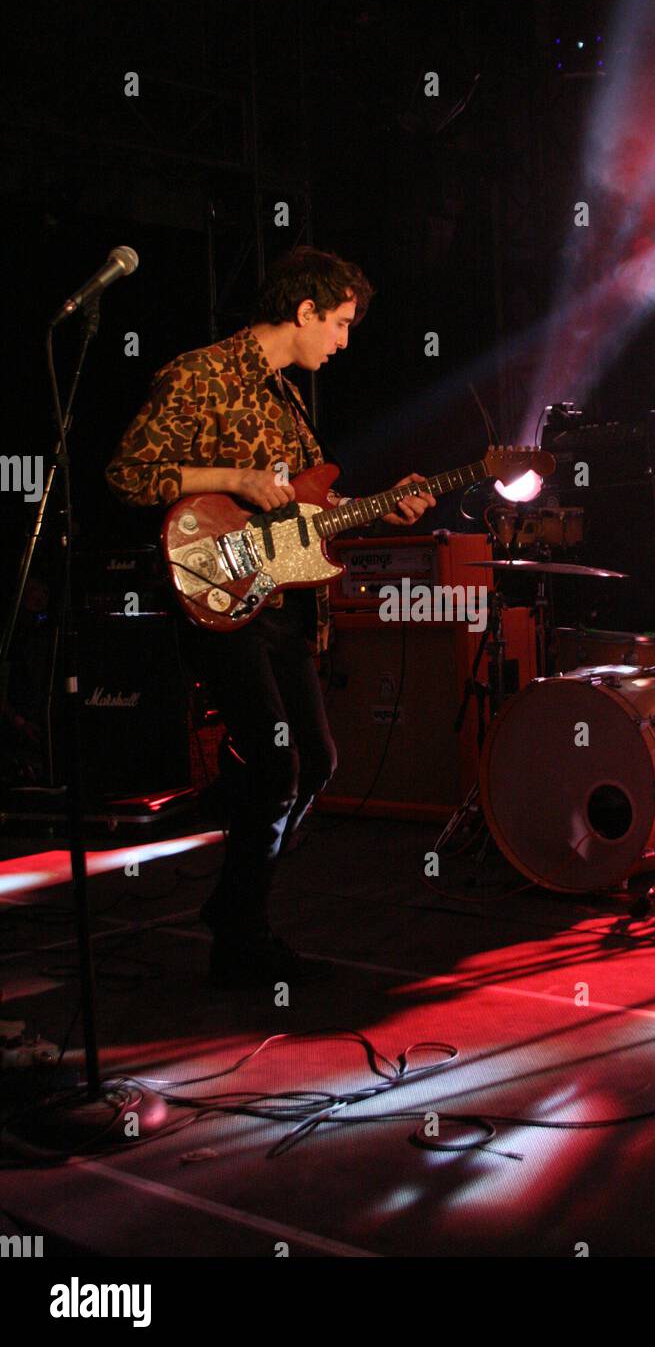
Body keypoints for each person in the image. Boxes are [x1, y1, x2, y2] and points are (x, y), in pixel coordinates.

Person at [106, 247, 435, 987]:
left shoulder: (287, 402)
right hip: (217, 595)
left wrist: (382, 507)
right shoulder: (202, 374)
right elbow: (128, 474)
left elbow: (308, 520)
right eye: (342, 323)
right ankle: (243, 941)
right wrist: (233, 479)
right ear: (306, 310)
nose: (345, 341)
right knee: (279, 762)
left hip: (281, 599)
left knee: (314, 760)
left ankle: (233, 908)